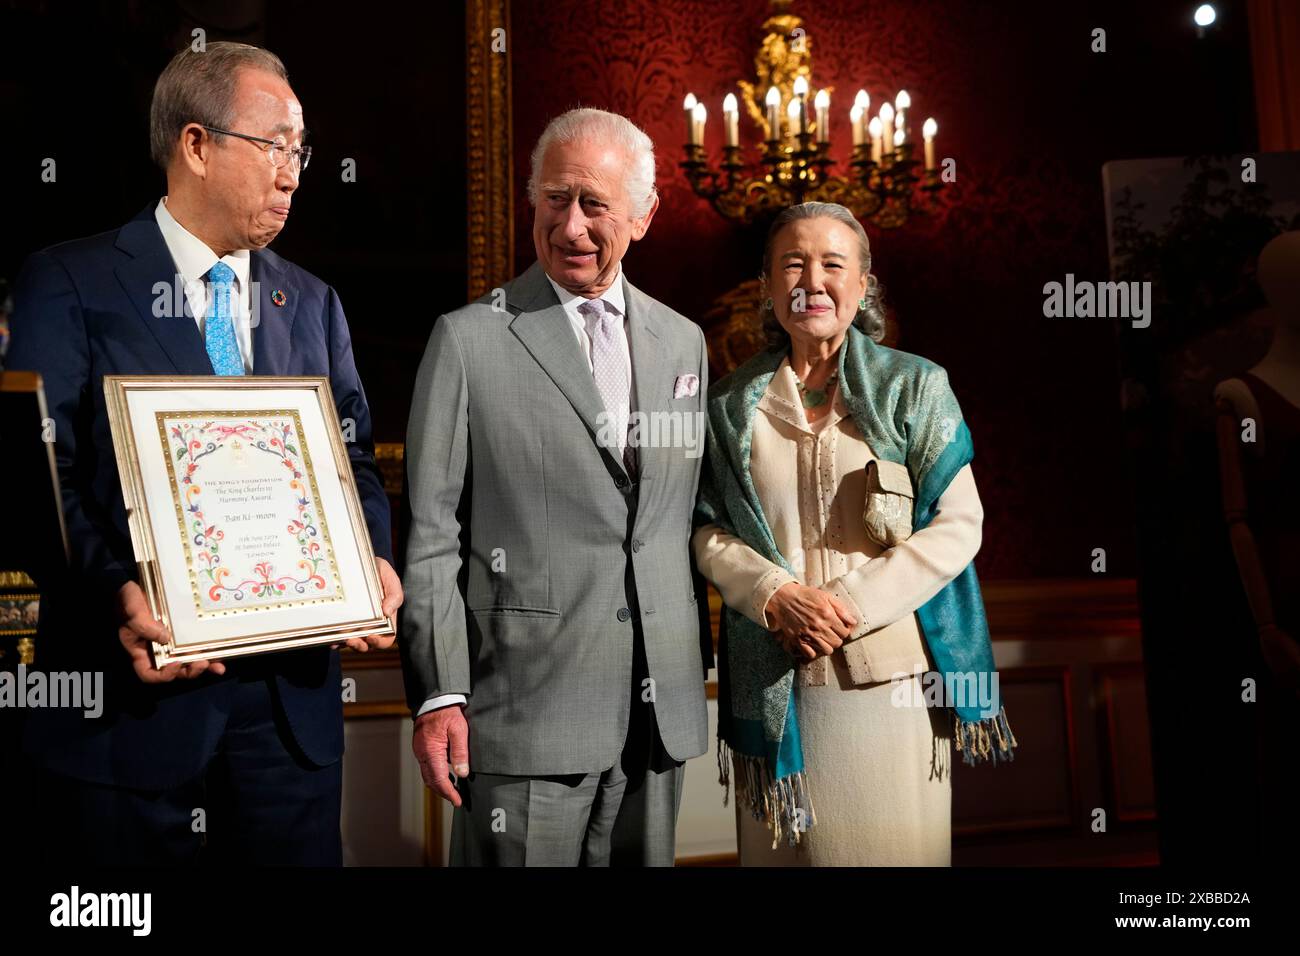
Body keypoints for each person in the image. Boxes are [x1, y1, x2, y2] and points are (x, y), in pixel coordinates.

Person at [6, 42, 402, 865]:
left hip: (289, 719)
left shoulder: (314, 305)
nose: (295, 171)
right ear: (195, 144)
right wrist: (115, 596)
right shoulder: (67, 283)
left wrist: (370, 556)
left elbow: (353, 460)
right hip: (131, 715)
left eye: (303, 151)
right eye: (275, 146)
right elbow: (42, 477)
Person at [401, 107, 712, 866]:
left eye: (594, 205)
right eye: (554, 199)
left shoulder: (684, 342)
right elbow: (432, 533)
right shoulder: (468, 341)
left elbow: (680, 517)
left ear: (642, 216)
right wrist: (440, 692)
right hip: (524, 712)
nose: (571, 227)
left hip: (656, 715)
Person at [692, 201, 1016, 866]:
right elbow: (705, 533)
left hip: (888, 684)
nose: (812, 279)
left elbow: (959, 526)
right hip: (774, 674)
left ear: (863, 285)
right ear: (768, 286)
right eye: (793, 263)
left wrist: (849, 604)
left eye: (832, 263)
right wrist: (775, 595)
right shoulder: (729, 406)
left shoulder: (916, 388)